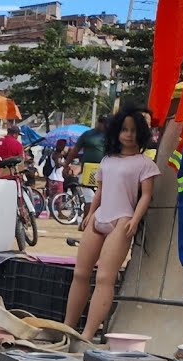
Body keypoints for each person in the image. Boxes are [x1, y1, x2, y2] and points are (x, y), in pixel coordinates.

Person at [64, 109, 161, 343]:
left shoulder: (145, 164)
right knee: (80, 273)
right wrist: (90, 214)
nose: (128, 135)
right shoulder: (107, 160)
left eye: (134, 131)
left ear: (142, 134)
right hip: (99, 218)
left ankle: (87, 334)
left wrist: (135, 220)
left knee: (105, 278)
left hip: (123, 220)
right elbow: (100, 190)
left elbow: (146, 196)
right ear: (116, 131)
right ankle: (67, 328)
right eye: (124, 130)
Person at [66, 116, 108, 193]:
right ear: (98, 122)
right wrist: (66, 165)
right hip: (88, 171)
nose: (103, 124)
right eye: (101, 121)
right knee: (88, 197)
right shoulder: (88, 135)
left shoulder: (112, 136)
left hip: (105, 171)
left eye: (105, 122)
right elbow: (75, 150)